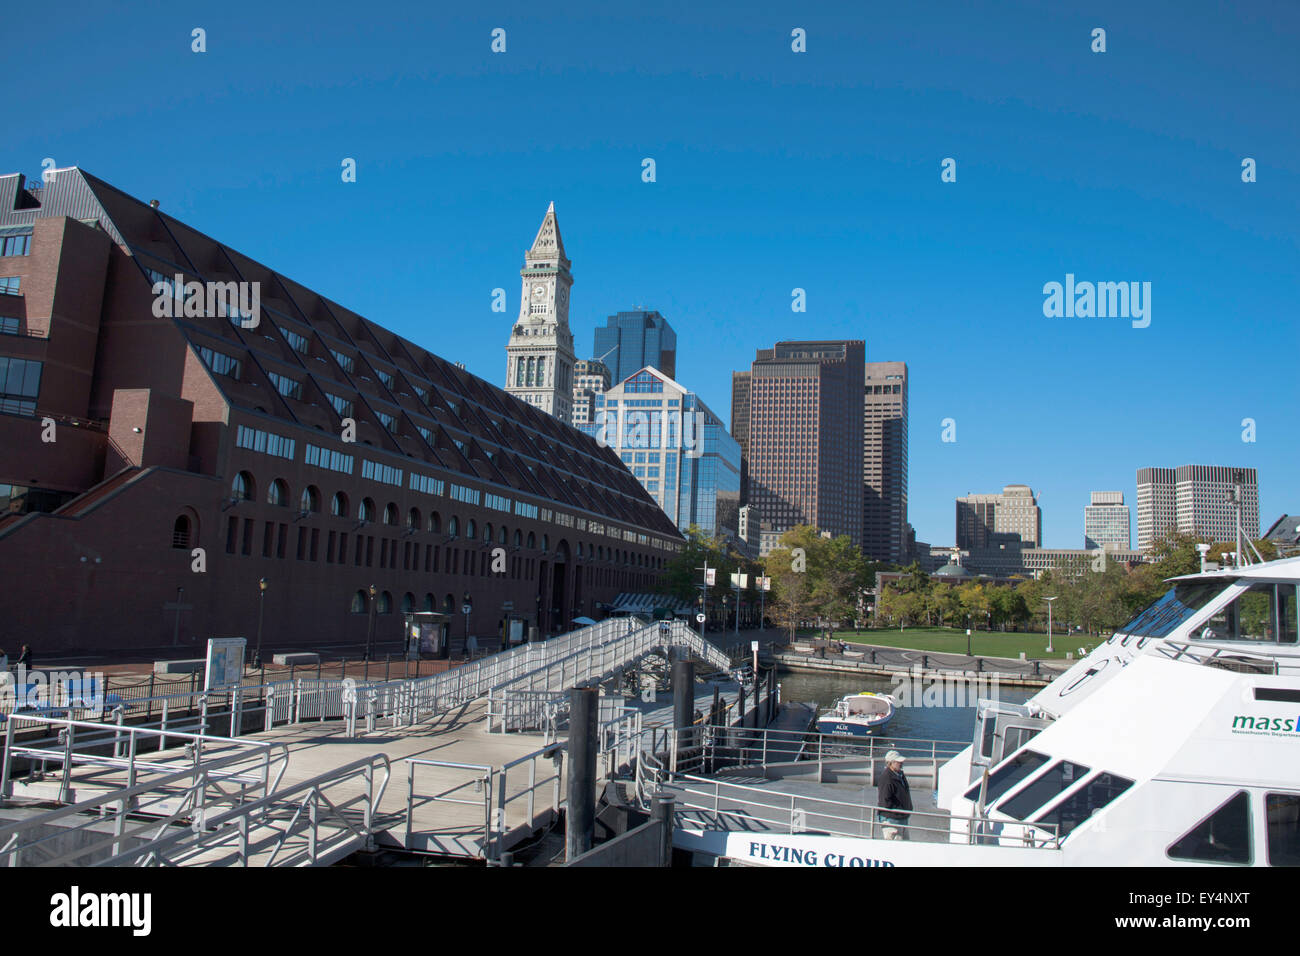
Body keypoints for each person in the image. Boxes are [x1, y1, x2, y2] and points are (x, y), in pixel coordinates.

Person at [878, 750, 913, 840]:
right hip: (892, 820)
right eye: (898, 762)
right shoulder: (887, 778)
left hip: (902, 818)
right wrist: (899, 810)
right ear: (891, 763)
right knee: (894, 848)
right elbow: (885, 800)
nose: (901, 764)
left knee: (904, 846)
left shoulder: (900, 775)